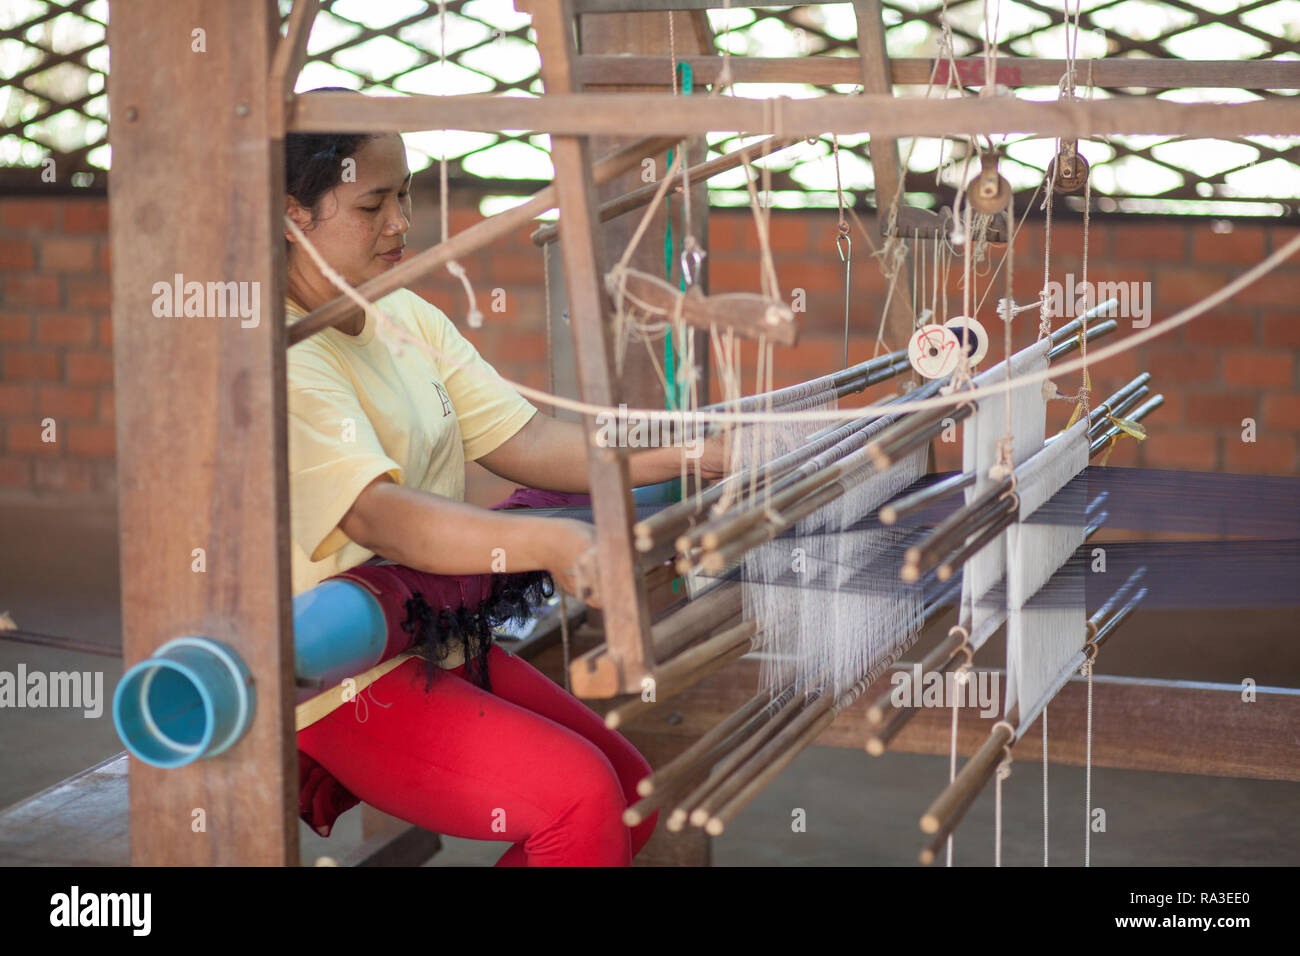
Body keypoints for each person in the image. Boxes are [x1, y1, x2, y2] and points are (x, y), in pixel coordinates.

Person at [284, 107, 722, 866]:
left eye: (405, 196)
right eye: (371, 204)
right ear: (293, 217)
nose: (401, 222)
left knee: (628, 796)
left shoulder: (401, 314)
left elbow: (527, 440)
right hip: (334, 674)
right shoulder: (282, 353)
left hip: (427, 638)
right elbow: (380, 517)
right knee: (579, 800)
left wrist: (694, 449)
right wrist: (550, 538)